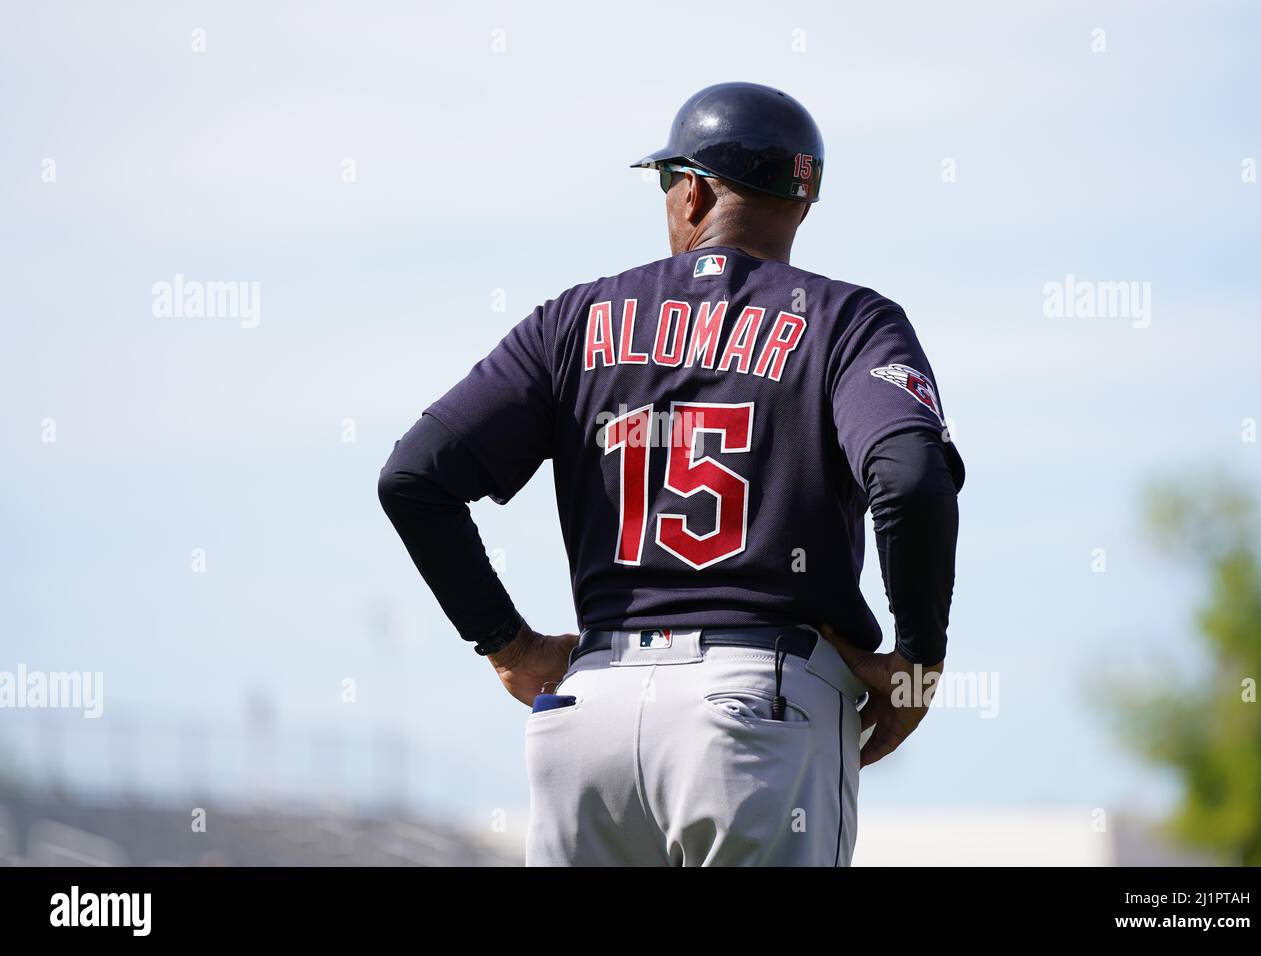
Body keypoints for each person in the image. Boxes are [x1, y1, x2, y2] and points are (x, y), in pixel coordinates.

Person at [378, 81, 964, 866]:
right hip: (762, 705)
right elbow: (912, 478)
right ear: (801, 204)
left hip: (589, 715)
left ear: (690, 192)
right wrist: (917, 666)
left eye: (665, 182)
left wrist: (509, 645)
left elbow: (413, 477)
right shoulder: (849, 323)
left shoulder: (575, 319)